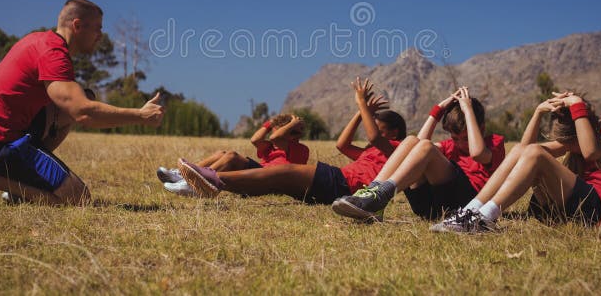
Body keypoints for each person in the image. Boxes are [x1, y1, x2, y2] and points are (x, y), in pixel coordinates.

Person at [0, 0, 165, 206]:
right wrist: (140, 115)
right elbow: (84, 113)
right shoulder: (53, 54)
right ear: (77, 25)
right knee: (79, 198)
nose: (100, 36)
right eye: (97, 28)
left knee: (82, 98)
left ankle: (23, 184)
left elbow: (76, 106)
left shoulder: (44, 41)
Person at [431, 91, 601, 233]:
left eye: (569, 143)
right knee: (524, 150)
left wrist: (576, 104)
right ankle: (469, 212)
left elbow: (591, 151)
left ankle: (484, 218)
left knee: (536, 153)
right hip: (575, 210)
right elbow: (524, 150)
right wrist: (538, 112)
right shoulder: (574, 142)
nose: (568, 147)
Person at [177, 77, 406, 204]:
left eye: (377, 126)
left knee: (282, 172)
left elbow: (374, 137)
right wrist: (359, 113)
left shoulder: (398, 150)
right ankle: (203, 180)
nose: (370, 128)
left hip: (344, 185)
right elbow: (342, 145)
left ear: (394, 133)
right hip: (338, 181)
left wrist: (362, 104)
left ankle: (210, 179)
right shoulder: (369, 153)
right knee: (276, 179)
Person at [332, 87, 505, 222]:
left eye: (465, 138)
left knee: (427, 147)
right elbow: (417, 146)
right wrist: (438, 110)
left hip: (466, 205)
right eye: (455, 138)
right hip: (431, 205)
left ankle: (380, 196)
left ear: (481, 128)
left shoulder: (493, 143)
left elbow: (477, 153)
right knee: (411, 141)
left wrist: (468, 111)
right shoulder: (450, 146)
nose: (460, 143)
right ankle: (374, 193)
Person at [157, 114, 310, 196]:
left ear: (291, 134)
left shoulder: (299, 149)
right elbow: (255, 140)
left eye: (278, 131)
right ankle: (183, 176)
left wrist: (293, 124)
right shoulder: (271, 147)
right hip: (258, 174)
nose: (272, 134)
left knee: (232, 156)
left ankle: (197, 185)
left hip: (267, 180)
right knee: (221, 153)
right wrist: (270, 123)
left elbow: (275, 137)